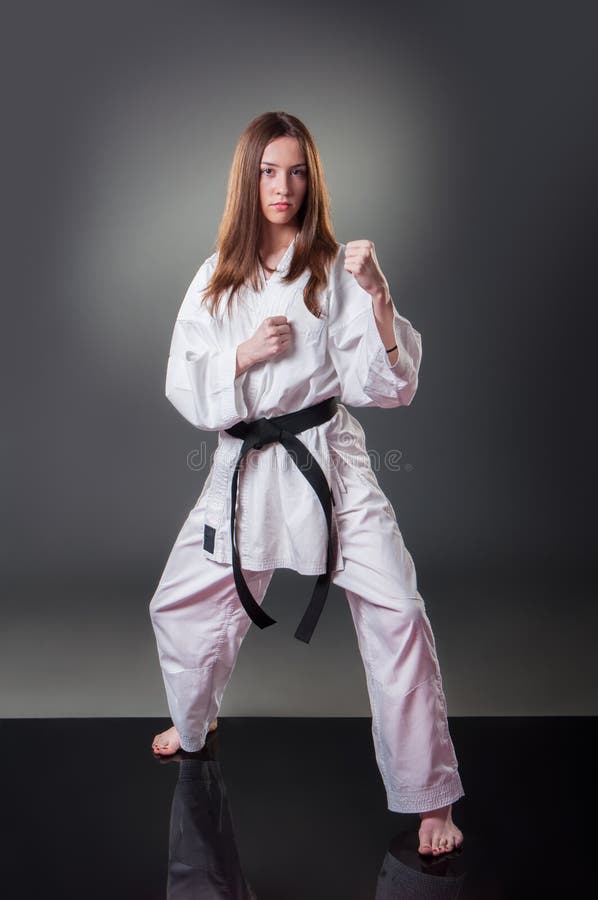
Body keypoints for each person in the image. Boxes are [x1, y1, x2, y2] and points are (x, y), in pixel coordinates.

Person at [149, 111, 465, 857]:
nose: (282, 186)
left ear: (311, 178)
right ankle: (194, 724)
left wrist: (382, 301)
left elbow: (386, 388)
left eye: (295, 171)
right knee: (179, 605)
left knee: (400, 614)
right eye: (267, 171)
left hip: (330, 464)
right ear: (247, 179)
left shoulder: (335, 271)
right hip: (244, 467)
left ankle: (431, 796)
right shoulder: (215, 276)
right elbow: (182, 384)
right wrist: (243, 357)